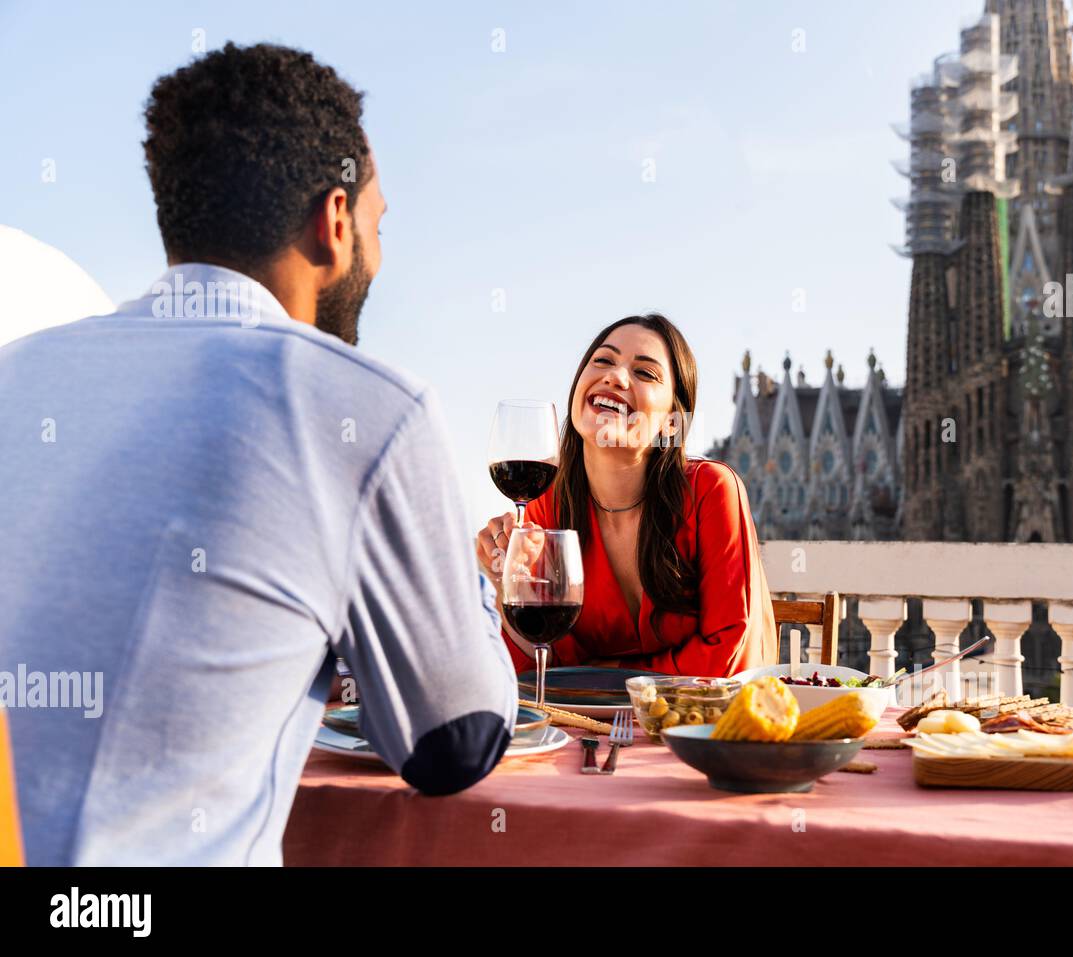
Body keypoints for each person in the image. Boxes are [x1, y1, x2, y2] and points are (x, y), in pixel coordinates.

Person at [0, 43, 518, 866]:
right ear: (336, 221)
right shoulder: (362, 404)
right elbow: (456, 740)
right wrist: (467, 584)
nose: (379, 249)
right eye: (378, 223)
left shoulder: (16, 372)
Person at [476, 314, 777, 677]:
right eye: (603, 360)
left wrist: (606, 674)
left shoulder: (711, 489)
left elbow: (731, 657)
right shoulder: (547, 505)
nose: (615, 377)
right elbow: (534, 671)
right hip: (582, 715)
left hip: (706, 714)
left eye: (645, 373)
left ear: (672, 422)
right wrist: (505, 587)